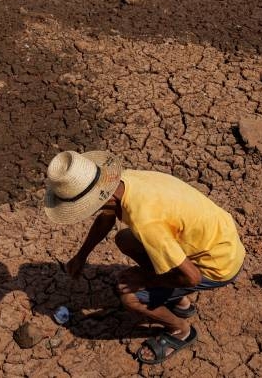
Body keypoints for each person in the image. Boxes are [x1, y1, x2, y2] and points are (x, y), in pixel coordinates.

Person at [43, 150, 245, 366]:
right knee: (125, 239)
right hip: (215, 238)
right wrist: (81, 256)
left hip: (218, 265)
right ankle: (180, 301)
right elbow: (107, 217)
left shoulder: (146, 223)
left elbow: (192, 277)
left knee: (129, 295)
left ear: (103, 198)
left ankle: (180, 330)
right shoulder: (123, 182)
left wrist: (147, 279)